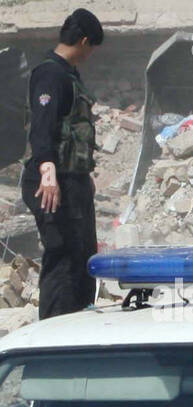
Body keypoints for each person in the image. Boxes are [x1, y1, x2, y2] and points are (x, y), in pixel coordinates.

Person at [21, 9, 102, 320]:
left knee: (83, 256)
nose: (90, 54)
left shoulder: (69, 75)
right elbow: (42, 126)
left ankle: (79, 322)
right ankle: (56, 331)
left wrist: (83, 176)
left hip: (74, 181)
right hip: (52, 183)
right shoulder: (49, 75)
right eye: (91, 47)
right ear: (83, 41)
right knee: (63, 256)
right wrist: (47, 169)